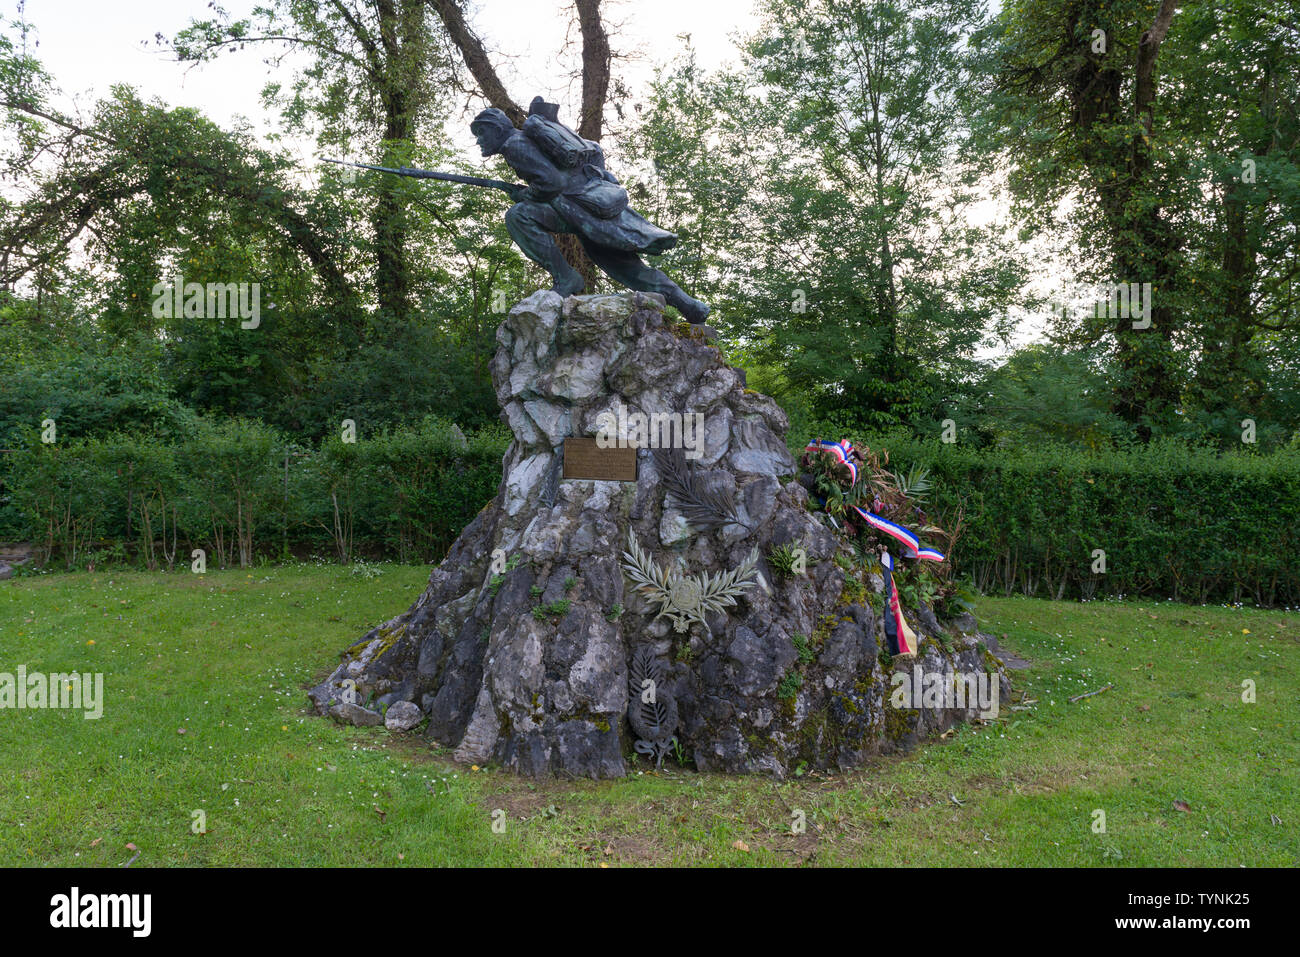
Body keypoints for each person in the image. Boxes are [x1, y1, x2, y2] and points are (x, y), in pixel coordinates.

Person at [470, 100, 711, 324]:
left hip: (575, 207)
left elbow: (551, 183)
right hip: (587, 205)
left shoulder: (514, 145)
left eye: (481, 133)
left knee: (518, 216)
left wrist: (525, 195)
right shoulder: (522, 142)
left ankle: (565, 278)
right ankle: (688, 304)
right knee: (623, 266)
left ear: (497, 128)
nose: (479, 141)